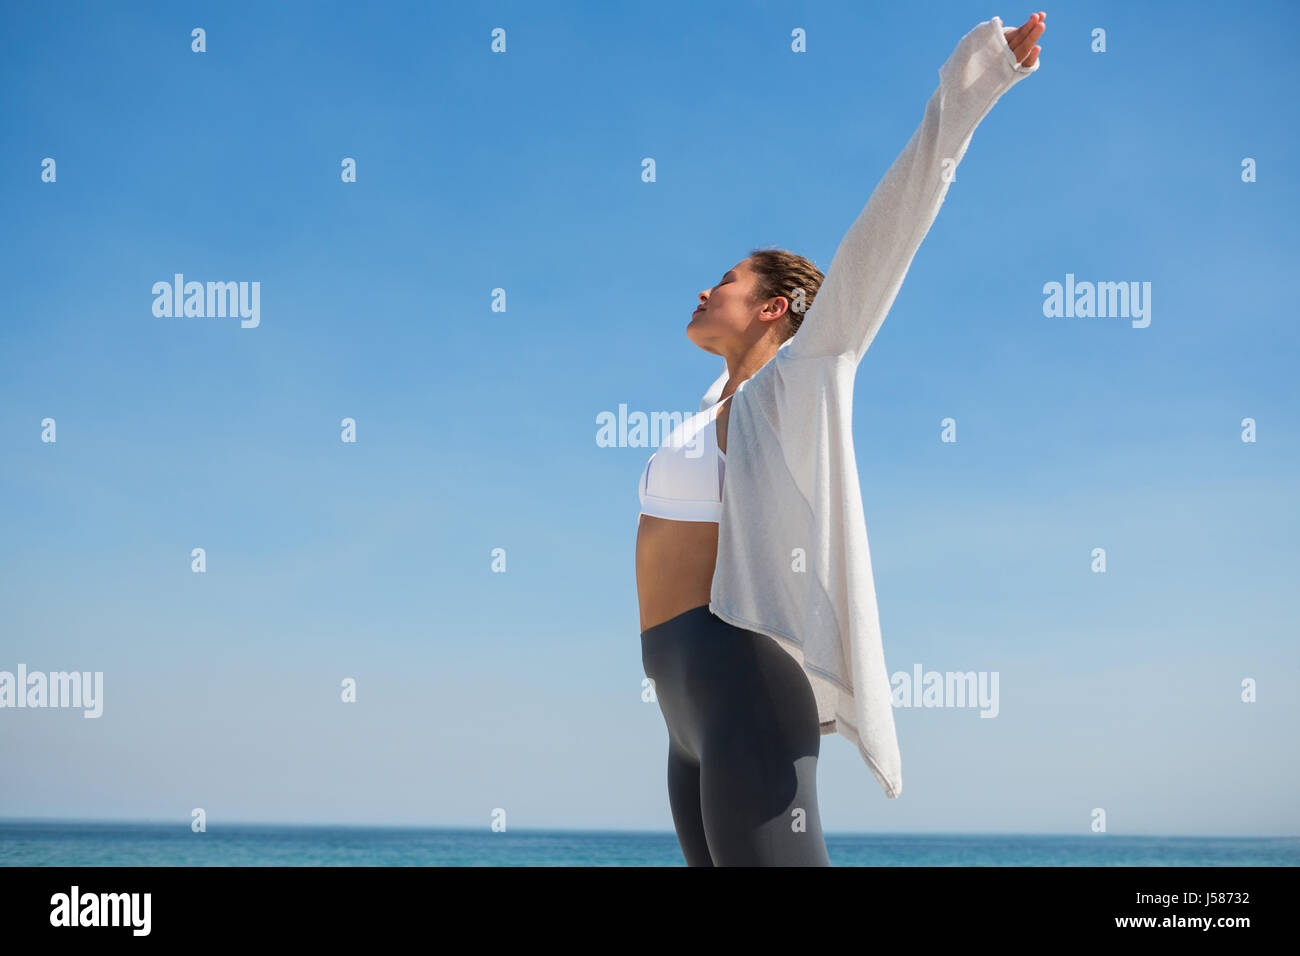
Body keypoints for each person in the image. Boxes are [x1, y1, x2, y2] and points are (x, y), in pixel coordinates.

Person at [635, 13, 1046, 866]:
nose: (703, 288)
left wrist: (965, 101)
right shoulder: (714, 404)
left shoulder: (803, 381)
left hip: (744, 685)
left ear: (774, 307)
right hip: (682, 707)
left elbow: (879, 247)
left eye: (726, 280)